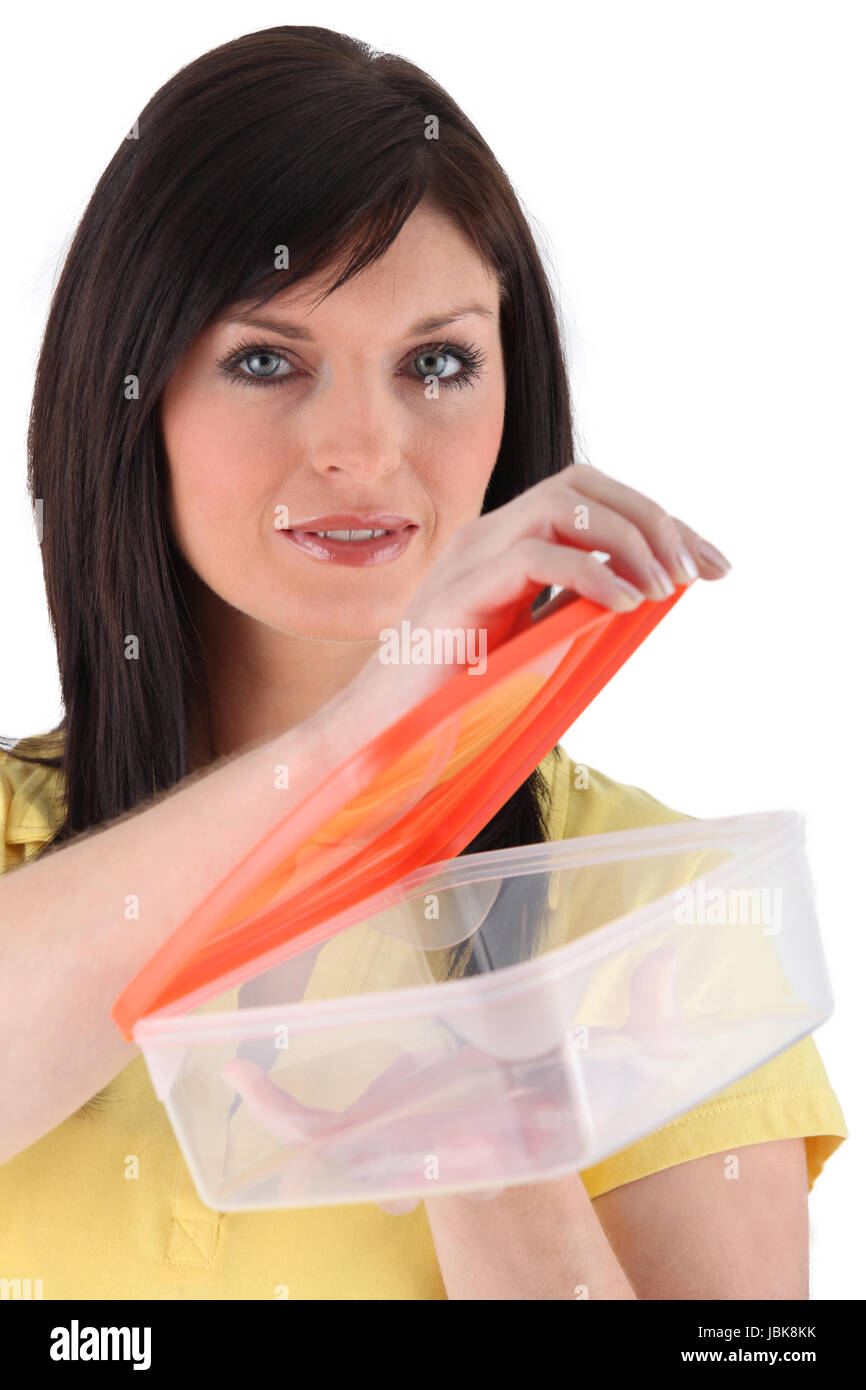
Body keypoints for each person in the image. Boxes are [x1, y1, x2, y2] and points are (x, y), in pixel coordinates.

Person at [0, 24, 846, 1300]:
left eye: (437, 361)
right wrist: (356, 757)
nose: (363, 445)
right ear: (129, 397)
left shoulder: (658, 911)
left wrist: (490, 1152)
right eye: (266, 360)